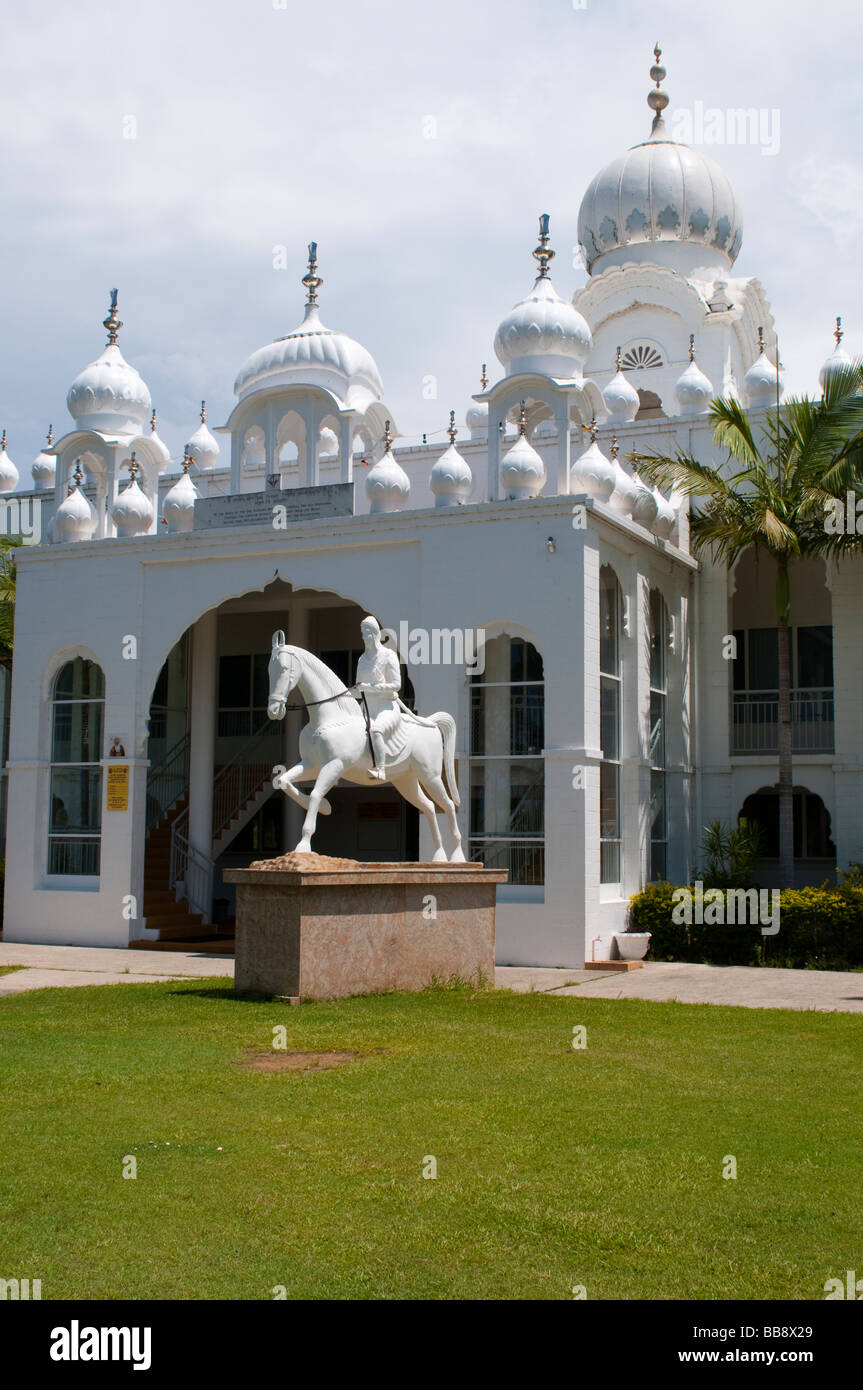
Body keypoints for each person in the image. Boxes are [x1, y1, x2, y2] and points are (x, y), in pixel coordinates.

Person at [351, 616, 401, 781]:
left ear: (376, 634)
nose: (364, 637)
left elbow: (396, 684)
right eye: (362, 634)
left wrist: (373, 687)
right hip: (366, 708)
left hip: (386, 707)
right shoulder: (361, 659)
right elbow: (359, 689)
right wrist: (349, 692)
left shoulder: (388, 655)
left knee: (375, 729)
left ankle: (381, 769)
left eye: (367, 633)